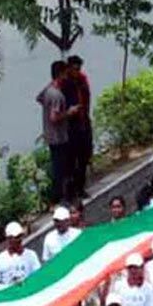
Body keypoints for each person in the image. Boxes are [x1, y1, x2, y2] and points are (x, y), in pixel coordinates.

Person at [38, 60, 73, 204]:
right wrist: (68, 113)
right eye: (65, 73)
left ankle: (58, 198)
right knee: (60, 169)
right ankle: (57, 199)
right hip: (59, 137)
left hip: (50, 135)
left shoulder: (47, 90)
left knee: (57, 167)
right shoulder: (57, 95)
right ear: (61, 74)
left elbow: (39, 99)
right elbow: (54, 117)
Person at [65, 54, 93, 199]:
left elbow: (87, 98)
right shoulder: (64, 84)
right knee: (71, 161)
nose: (77, 71)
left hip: (83, 122)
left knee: (84, 157)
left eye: (79, 68)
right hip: (71, 126)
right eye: (74, 68)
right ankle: (71, 191)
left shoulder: (82, 80)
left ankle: (81, 187)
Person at [0, 221, 41, 286]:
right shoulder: (0, 259)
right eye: (16, 237)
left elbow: (38, 276)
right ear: (8, 238)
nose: (19, 239)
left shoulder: (31, 255)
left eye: (20, 236)